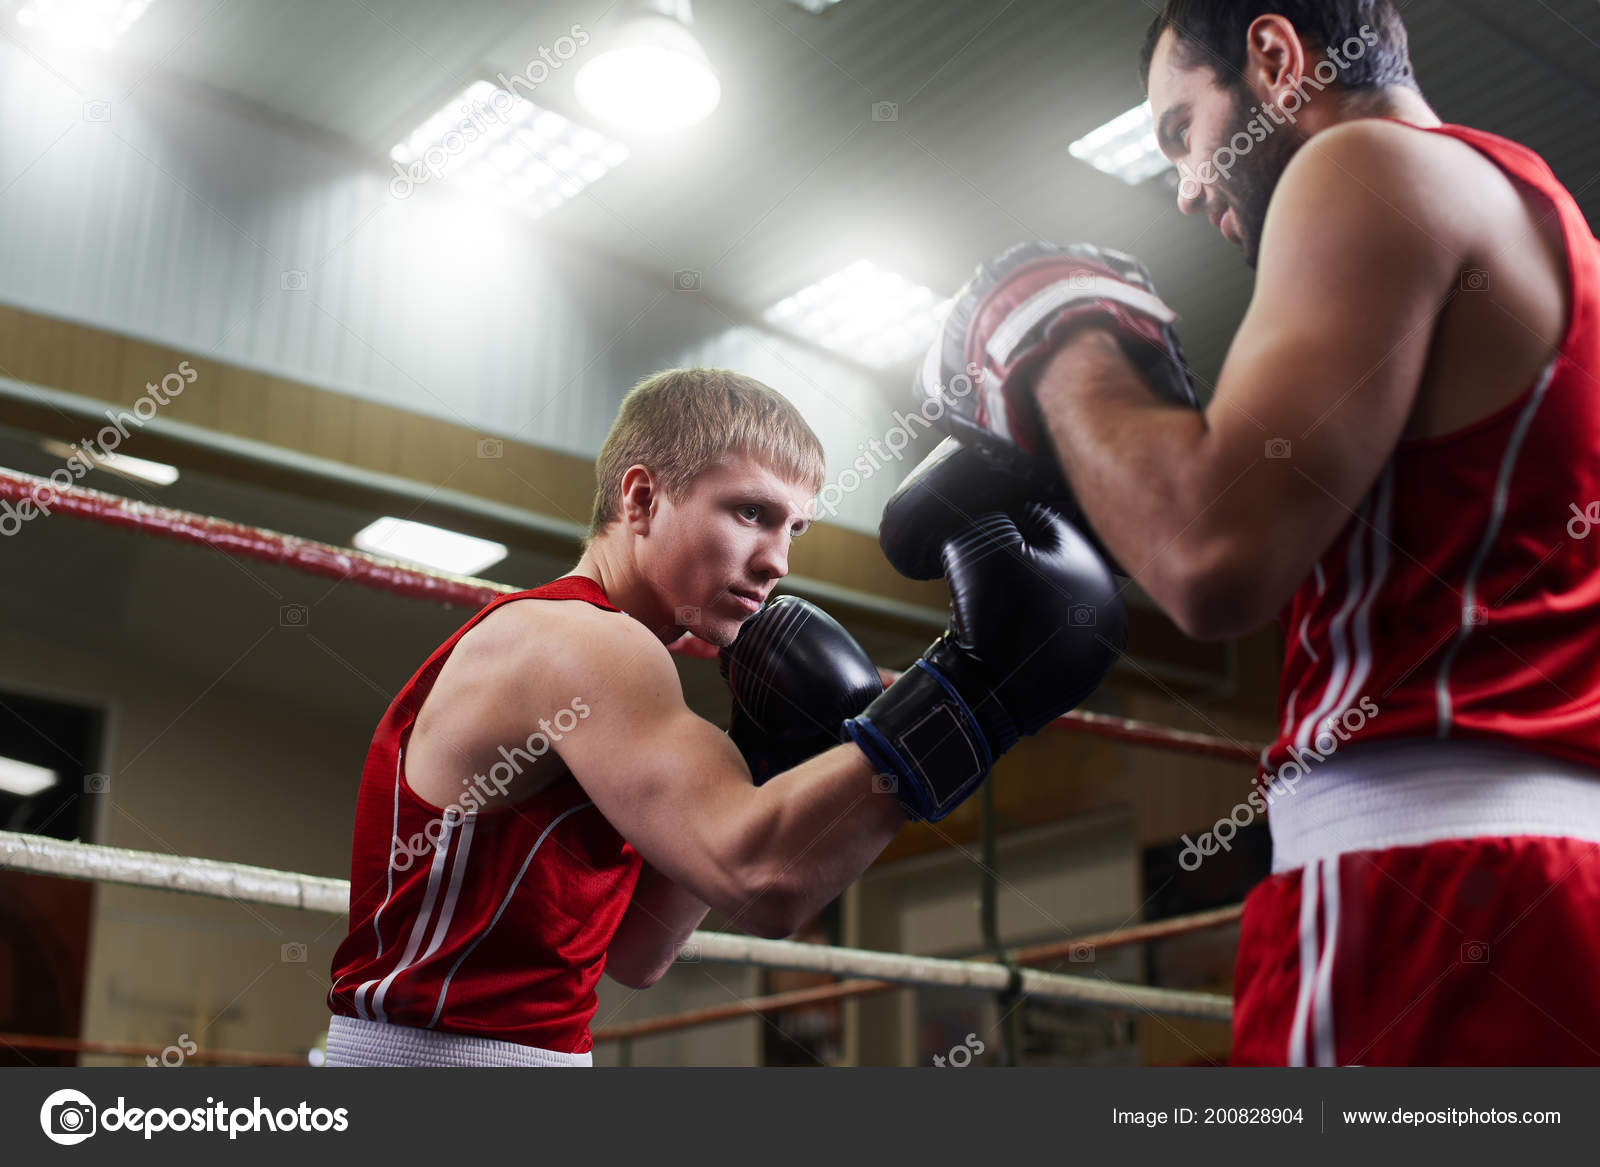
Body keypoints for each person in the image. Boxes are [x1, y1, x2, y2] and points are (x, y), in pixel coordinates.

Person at [913, 0, 1600, 1065]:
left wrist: (1050, 332)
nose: (1190, 188)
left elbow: (1211, 556)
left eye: (1182, 130)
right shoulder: (1555, 229)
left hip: (1419, 893)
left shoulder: (1364, 162)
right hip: (1553, 894)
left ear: (1276, 59)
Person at [325, 367, 1124, 1066]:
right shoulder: (583, 642)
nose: (778, 560)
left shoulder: (611, 664)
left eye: (793, 528)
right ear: (642, 498)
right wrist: (975, 693)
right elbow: (763, 882)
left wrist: (765, 755)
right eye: (750, 512)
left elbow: (638, 952)